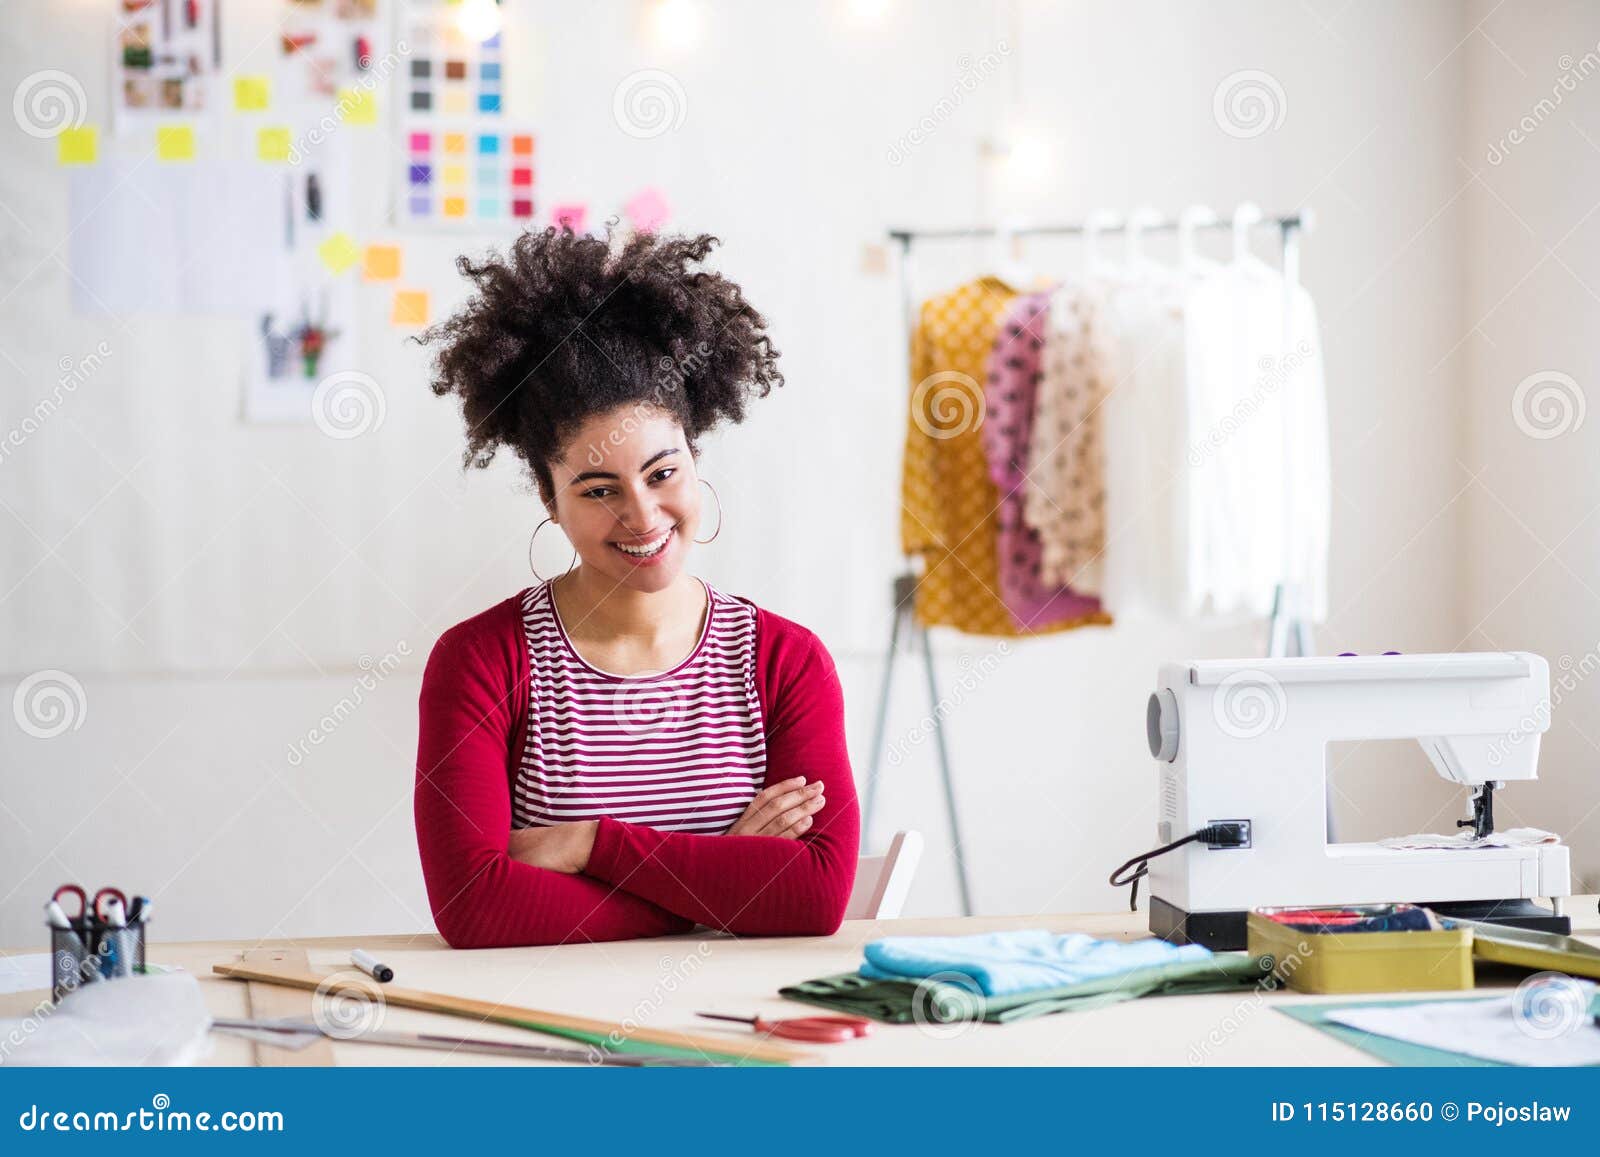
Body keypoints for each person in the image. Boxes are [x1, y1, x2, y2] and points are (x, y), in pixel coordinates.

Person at [412, 226, 860, 948]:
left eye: (662, 473)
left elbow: (811, 896)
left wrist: (591, 845)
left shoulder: (785, 661)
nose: (643, 515)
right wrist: (720, 890)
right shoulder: (481, 661)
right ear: (548, 497)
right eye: (597, 489)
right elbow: (475, 909)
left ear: (695, 451)